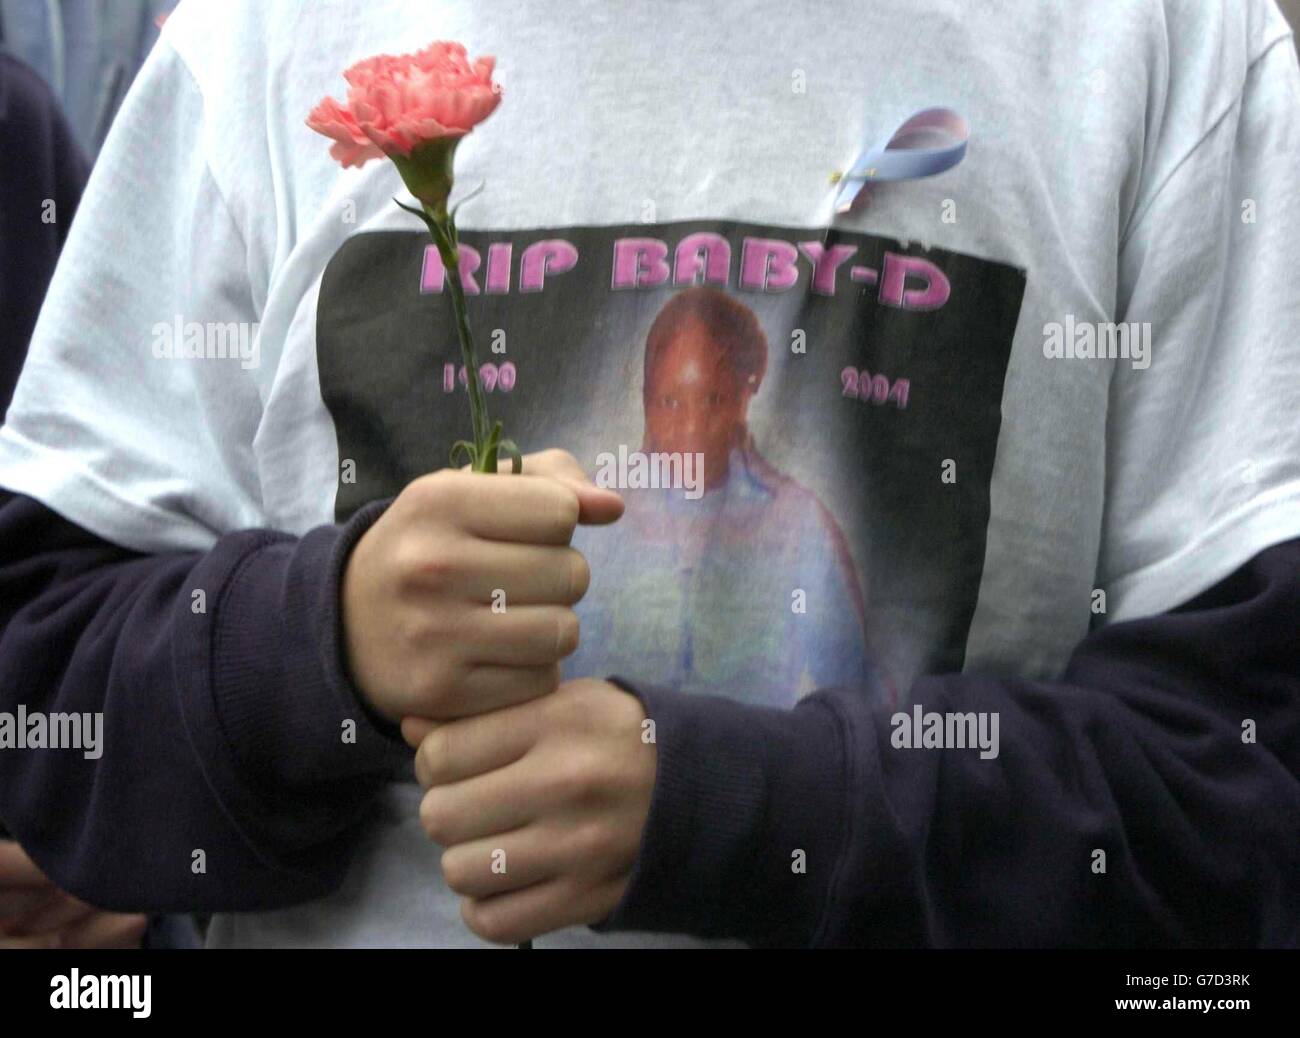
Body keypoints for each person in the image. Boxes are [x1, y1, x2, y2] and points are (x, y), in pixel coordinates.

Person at [0, 0, 1296, 949]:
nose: (677, 415)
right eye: (659, 391)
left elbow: (1250, 780)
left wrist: (732, 810)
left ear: (745, 392)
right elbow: (41, 688)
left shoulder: (1159, 41)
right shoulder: (254, 44)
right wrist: (317, 641)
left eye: (703, 389)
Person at [570, 286, 875, 705]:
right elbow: (557, 676)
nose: (692, 426)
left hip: (760, 765)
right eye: (670, 401)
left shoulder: (799, 522)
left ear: (743, 400)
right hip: (604, 764)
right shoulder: (594, 515)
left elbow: (851, 693)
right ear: (646, 403)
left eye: (712, 399)